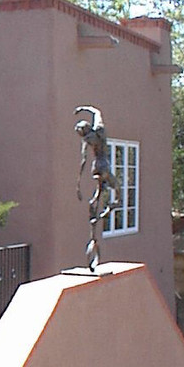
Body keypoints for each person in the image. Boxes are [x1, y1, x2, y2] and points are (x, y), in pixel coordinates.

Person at [74, 105, 119, 270]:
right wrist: (84, 108)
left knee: (99, 194)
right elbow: (97, 112)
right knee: (117, 193)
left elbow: (83, 161)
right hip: (104, 165)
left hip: (96, 165)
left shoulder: (88, 140)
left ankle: (97, 213)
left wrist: (78, 183)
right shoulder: (100, 129)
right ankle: (101, 213)